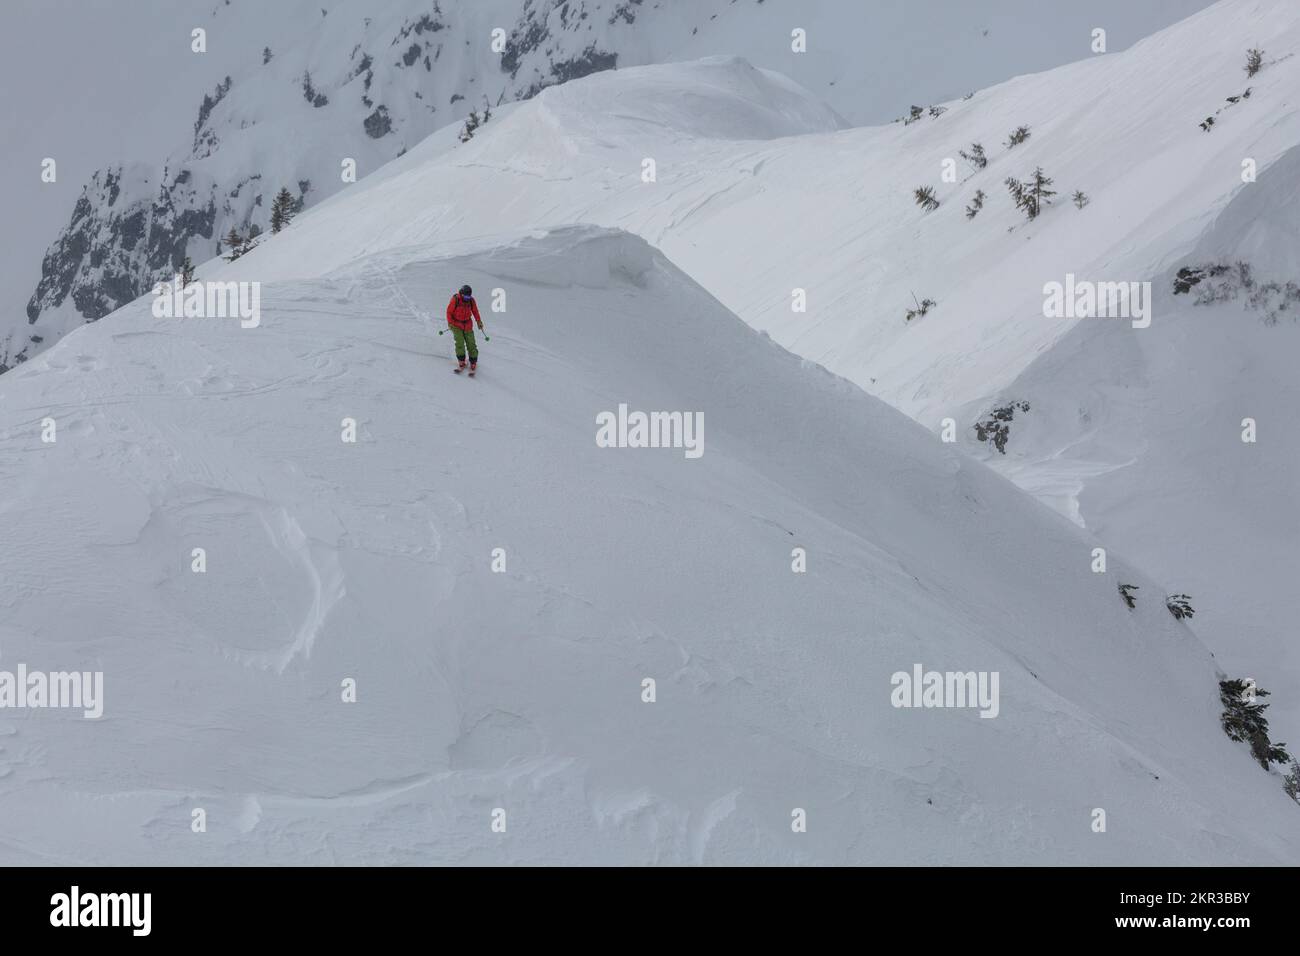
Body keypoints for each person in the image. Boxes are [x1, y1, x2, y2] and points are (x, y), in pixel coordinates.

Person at [445, 284, 485, 373]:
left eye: (469, 296)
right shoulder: (455, 300)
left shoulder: (471, 300)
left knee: (471, 343)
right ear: (462, 294)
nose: (467, 298)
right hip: (456, 325)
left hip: (467, 324)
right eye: (466, 296)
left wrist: (479, 321)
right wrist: (450, 323)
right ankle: (461, 360)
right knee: (460, 343)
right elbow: (449, 312)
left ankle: (473, 361)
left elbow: (475, 311)